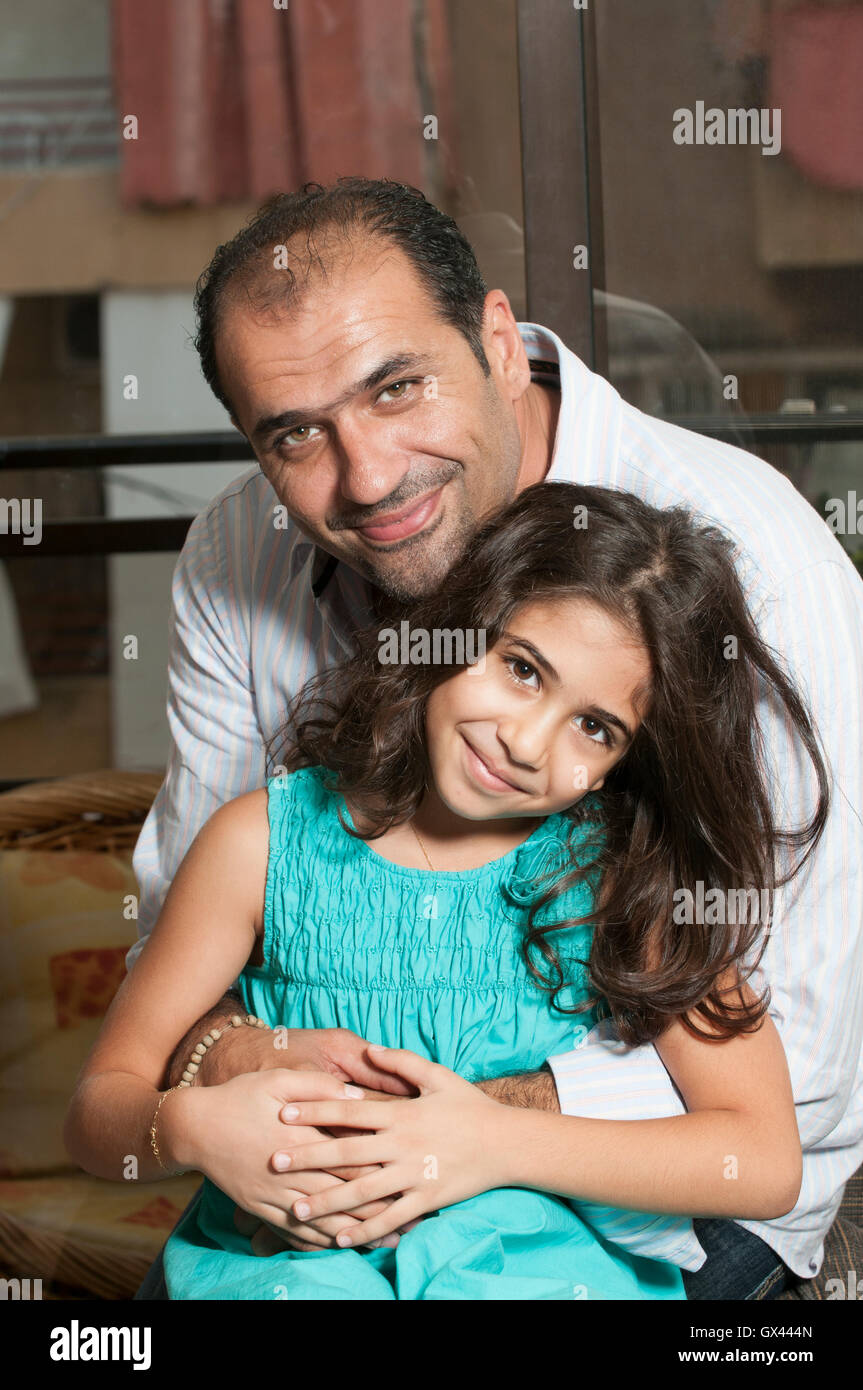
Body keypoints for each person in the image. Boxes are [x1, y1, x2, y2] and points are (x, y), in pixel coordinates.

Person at [125, 178, 863, 1299]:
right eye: (294, 435)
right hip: (315, 1207)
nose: (367, 477)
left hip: (649, 1217)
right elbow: (177, 984)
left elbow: (792, 1087)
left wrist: (457, 1127)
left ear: (499, 342)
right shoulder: (238, 558)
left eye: (396, 386)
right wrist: (234, 1070)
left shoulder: (756, 565)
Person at [66, 483, 823, 1300]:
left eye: (594, 726)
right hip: (278, 1272)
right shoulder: (258, 844)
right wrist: (187, 1129)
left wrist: (494, 1142)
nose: (525, 742)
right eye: (521, 669)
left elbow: (761, 1162)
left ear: (627, 761)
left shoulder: (615, 882)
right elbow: (98, 1116)